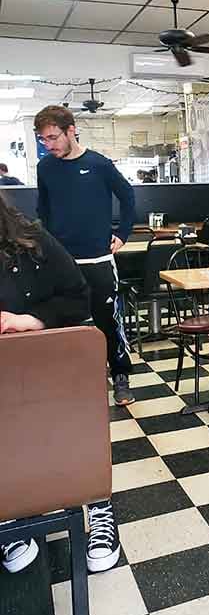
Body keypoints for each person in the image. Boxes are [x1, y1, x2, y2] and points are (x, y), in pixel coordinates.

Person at [0, 193, 121, 575]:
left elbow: (78, 298)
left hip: (51, 362)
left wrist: (31, 320)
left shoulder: (32, 240)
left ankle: (97, 505)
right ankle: (10, 514)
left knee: (75, 429)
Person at [33, 105, 136, 406]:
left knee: (108, 321)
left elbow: (127, 196)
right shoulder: (45, 168)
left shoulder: (98, 164)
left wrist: (124, 233)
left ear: (70, 130)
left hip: (98, 260)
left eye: (53, 137)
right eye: (43, 140)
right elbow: (44, 210)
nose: (48, 145)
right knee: (64, 323)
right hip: (62, 262)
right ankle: (71, 380)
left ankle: (120, 375)